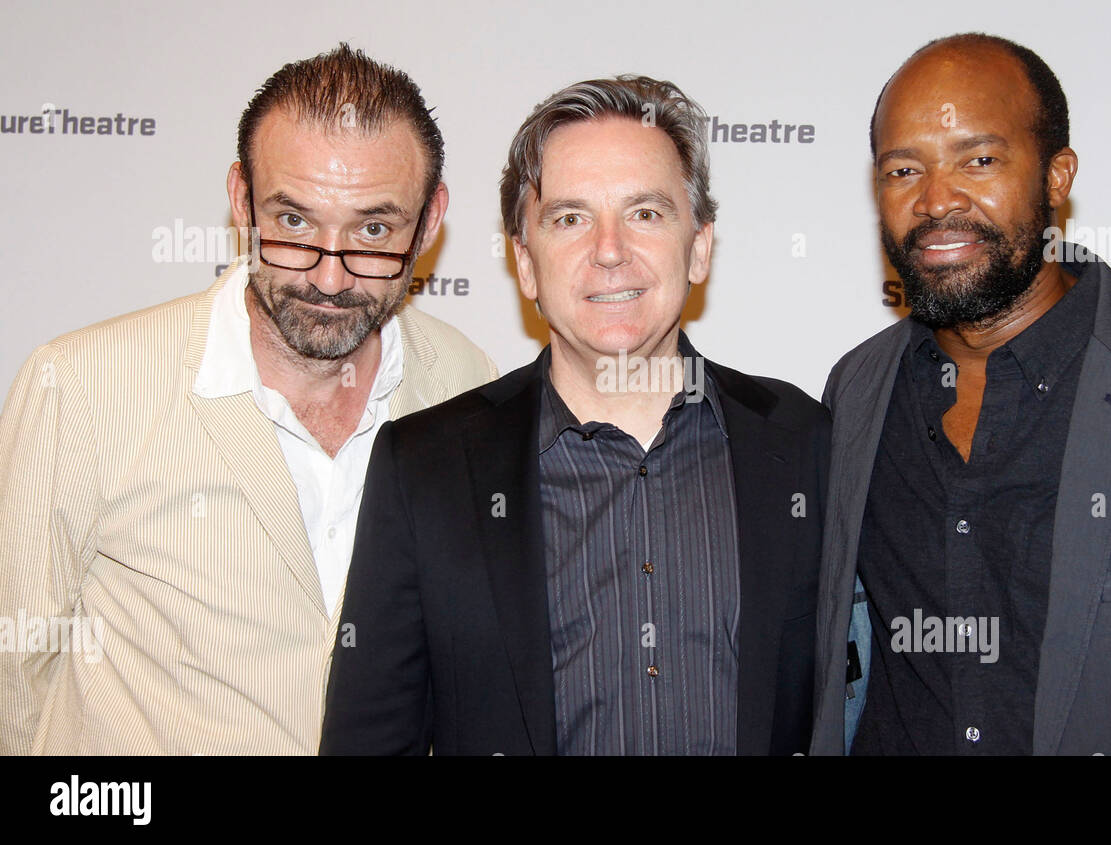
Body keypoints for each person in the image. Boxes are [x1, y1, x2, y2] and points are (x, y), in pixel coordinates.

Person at [0, 43, 497, 754]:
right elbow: (12, 676)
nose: (329, 277)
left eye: (373, 230)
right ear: (240, 199)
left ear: (431, 219)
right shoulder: (79, 385)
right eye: (293, 223)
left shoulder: (467, 384)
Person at [812, 33, 1111, 755]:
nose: (936, 198)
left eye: (979, 160)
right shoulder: (857, 390)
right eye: (903, 168)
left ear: (1057, 175)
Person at [320, 75, 829, 756]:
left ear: (700, 246)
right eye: (570, 218)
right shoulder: (425, 467)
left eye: (646, 212)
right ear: (525, 264)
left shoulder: (803, 441)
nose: (610, 248)